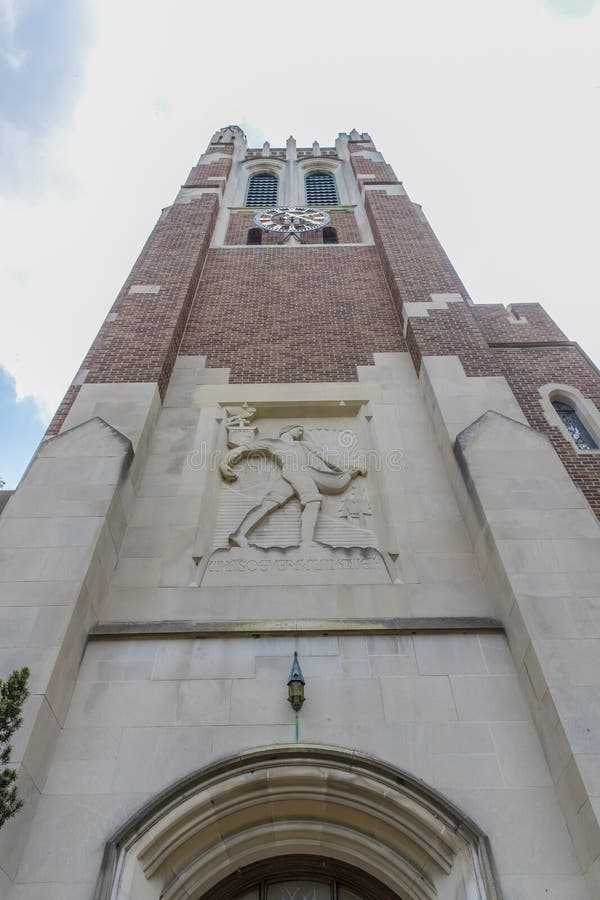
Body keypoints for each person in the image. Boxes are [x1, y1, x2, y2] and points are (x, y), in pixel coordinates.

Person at [220, 424, 365, 548]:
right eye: (299, 429)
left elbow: (327, 459)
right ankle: (307, 542)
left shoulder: (304, 445)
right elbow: (246, 448)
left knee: (269, 504)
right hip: (296, 472)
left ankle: (239, 535)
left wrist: (346, 471)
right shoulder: (274, 443)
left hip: (294, 474)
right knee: (313, 501)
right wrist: (228, 457)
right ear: (289, 429)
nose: (301, 433)